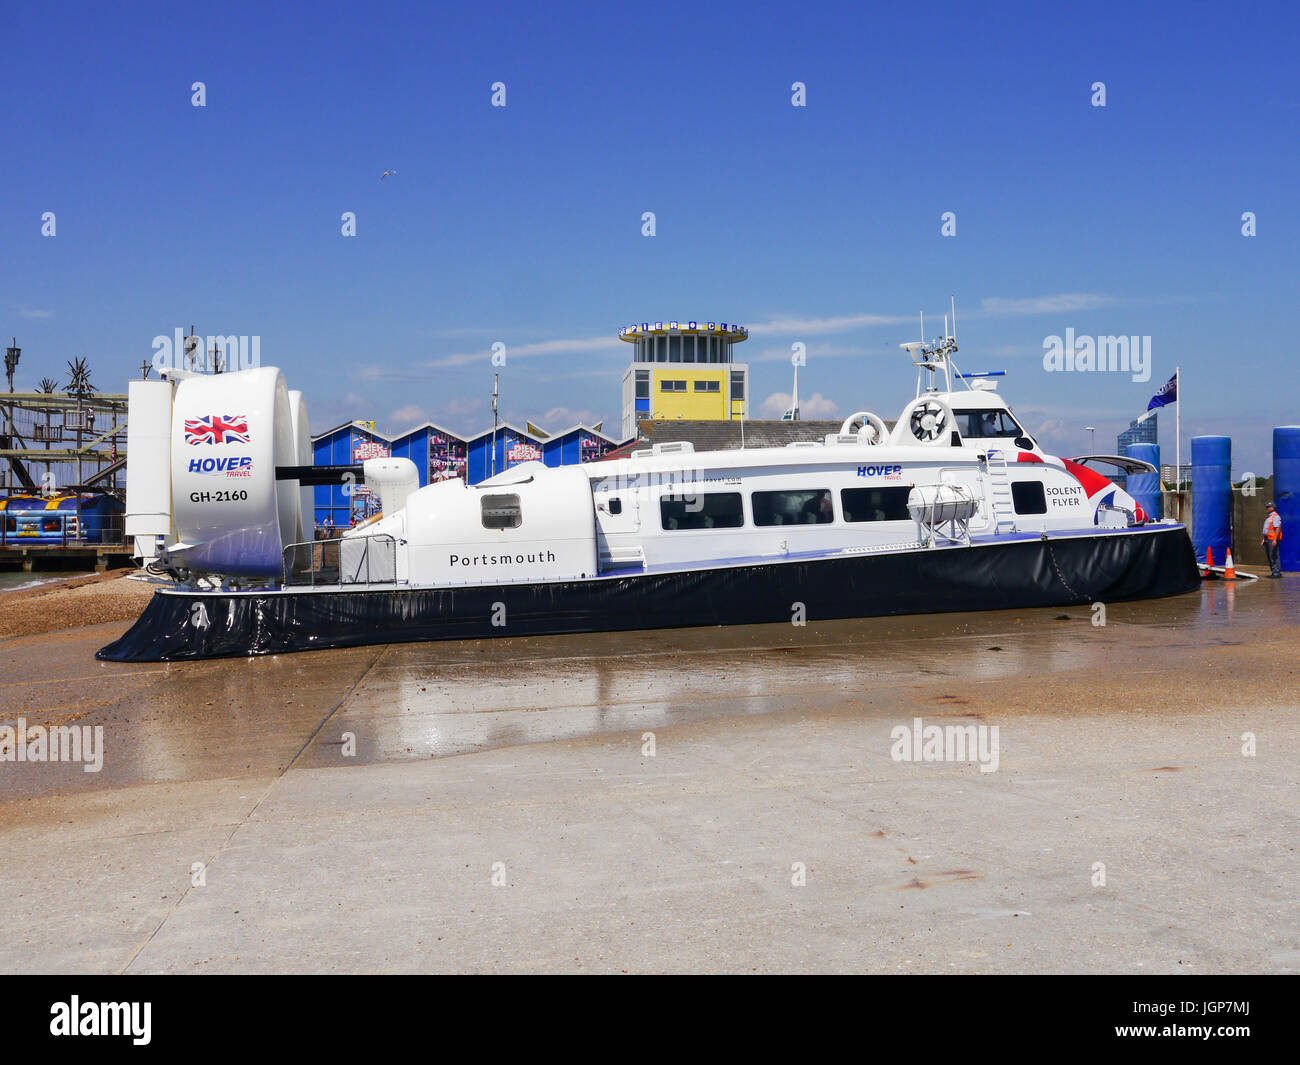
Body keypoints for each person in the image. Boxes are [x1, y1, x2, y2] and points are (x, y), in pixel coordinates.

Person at [1262, 502, 1283, 578]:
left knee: (1274, 556)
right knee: (1270, 556)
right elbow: (1267, 530)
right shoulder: (1269, 517)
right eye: (1266, 507)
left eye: (1268, 507)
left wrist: (1274, 540)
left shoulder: (1275, 517)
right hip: (1268, 539)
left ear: (1272, 508)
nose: (1266, 508)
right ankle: (1274, 572)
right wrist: (1264, 539)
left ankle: (1277, 573)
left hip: (1272, 540)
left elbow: (1278, 528)